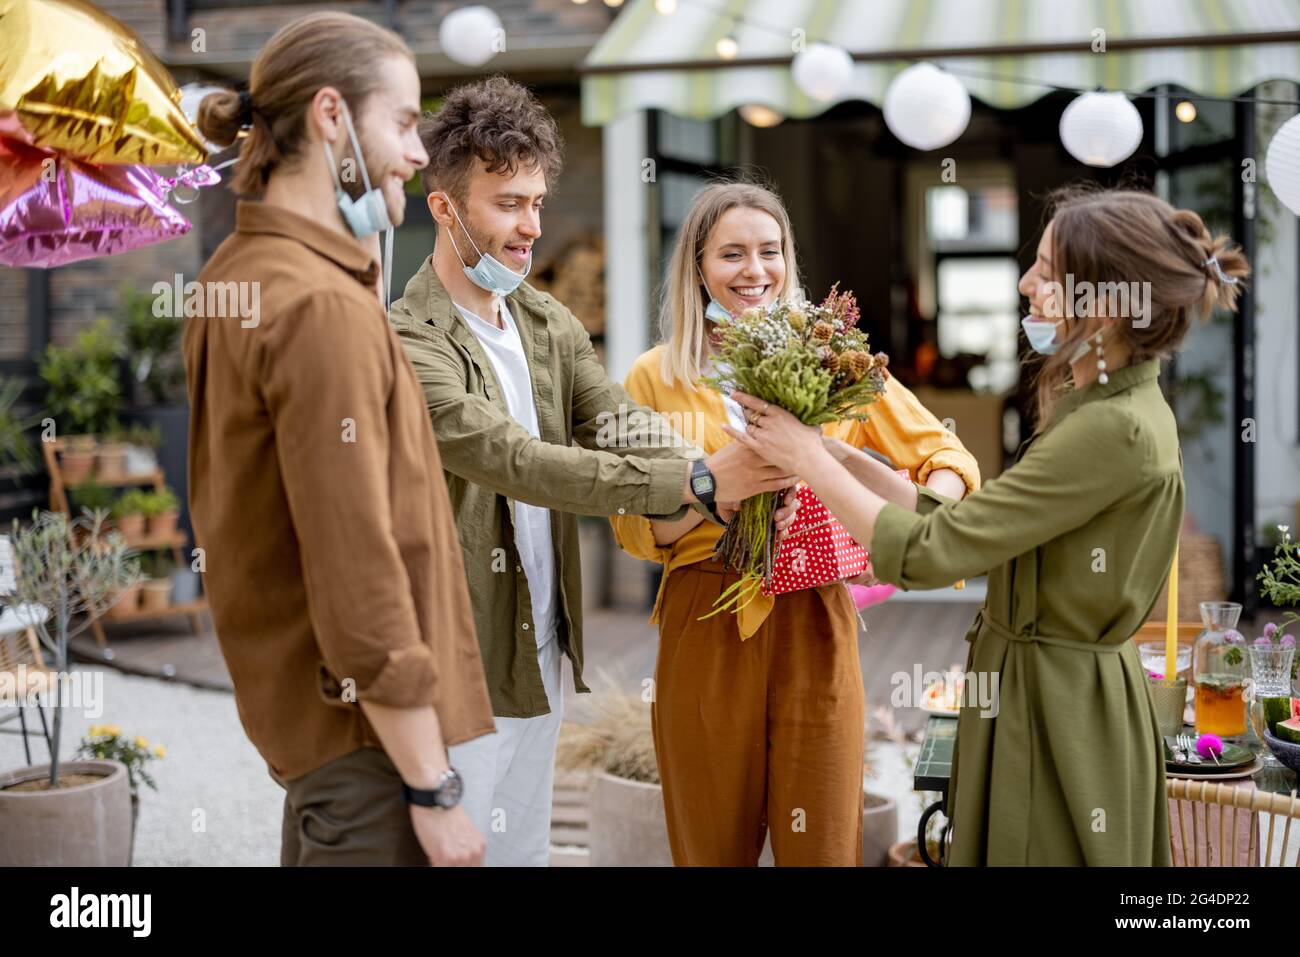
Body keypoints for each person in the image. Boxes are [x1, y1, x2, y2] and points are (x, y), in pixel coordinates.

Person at [725, 185, 1249, 866]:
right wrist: (836, 452)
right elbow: (971, 526)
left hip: (1057, 712)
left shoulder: (1110, 429)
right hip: (1046, 692)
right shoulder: (1110, 402)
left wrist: (805, 460)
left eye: (1048, 270)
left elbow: (930, 554)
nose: (1027, 282)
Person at [388, 79, 793, 866]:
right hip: (462, 653)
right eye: (508, 203)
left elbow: (615, 419)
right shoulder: (409, 339)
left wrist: (709, 468)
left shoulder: (544, 319)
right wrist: (700, 485)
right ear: (443, 209)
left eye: (537, 201)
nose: (531, 226)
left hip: (541, 646)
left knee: (522, 854)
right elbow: (515, 461)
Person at [186, 12, 494, 866]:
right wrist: (433, 788)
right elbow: (356, 564)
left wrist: (356, 250)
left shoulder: (236, 277)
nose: (420, 151)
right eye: (402, 122)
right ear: (331, 117)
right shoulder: (319, 307)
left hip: (323, 739)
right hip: (373, 753)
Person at [609, 181, 980, 866]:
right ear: (697, 267)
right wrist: (712, 490)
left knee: (824, 843)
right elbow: (632, 524)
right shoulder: (655, 376)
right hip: (704, 620)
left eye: (770, 251)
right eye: (732, 254)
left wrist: (927, 515)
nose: (755, 270)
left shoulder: (832, 361)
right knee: (710, 846)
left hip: (814, 616)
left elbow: (945, 455)